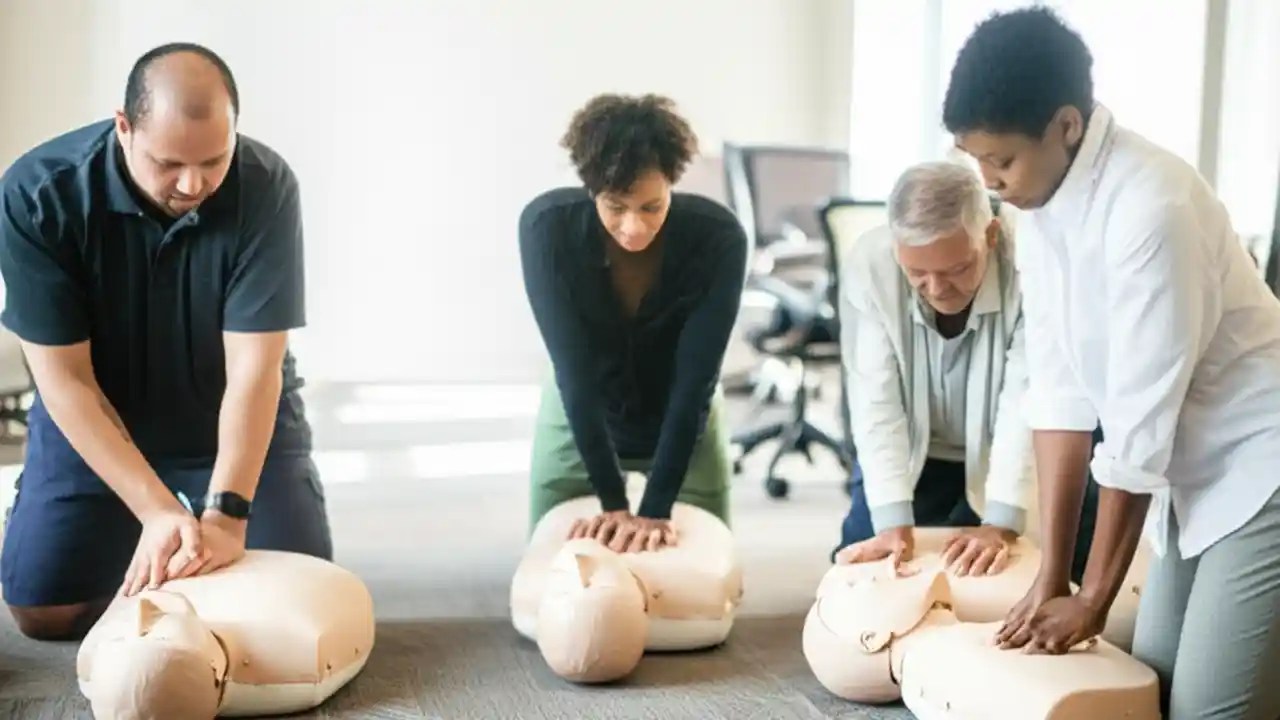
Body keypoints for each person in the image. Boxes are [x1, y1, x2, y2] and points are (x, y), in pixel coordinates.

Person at [943, 8, 1280, 719]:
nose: (989, 181)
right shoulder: (1040, 207)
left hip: (1262, 460)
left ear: (1067, 125)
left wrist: (1095, 598)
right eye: (975, 160)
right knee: (1144, 682)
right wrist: (1055, 577)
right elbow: (1059, 396)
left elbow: (1137, 427)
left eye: (1000, 160)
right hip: (1190, 477)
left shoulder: (1151, 207)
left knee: (1207, 709)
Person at [0, 43, 332, 641]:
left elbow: (256, 370)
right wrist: (156, 510)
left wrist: (227, 515)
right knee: (42, 612)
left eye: (213, 160)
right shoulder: (36, 192)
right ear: (123, 127)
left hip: (225, 410)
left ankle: (178, 538)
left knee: (297, 595)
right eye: (169, 162)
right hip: (99, 413)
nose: (194, 183)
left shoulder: (267, 185)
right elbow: (62, 379)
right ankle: (136, 526)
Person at [833, 160, 1098, 583]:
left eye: (956, 270)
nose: (937, 290)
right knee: (863, 560)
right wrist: (892, 522)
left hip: (1015, 439)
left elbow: (1026, 400)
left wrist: (1002, 522)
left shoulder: (1034, 261)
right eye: (917, 273)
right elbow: (874, 400)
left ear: (990, 236)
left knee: (1051, 570)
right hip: (919, 447)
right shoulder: (871, 263)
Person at [518, 93, 748, 554]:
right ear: (590, 191)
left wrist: (655, 507)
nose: (633, 227)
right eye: (615, 206)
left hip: (684, 408)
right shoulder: (548, 229)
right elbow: (574, 372)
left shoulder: (718, 239)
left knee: (709, 564)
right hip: (579, 406)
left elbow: (696, 380)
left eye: (651, 206)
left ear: (672, 184)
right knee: (551, 564)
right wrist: (613, 502)